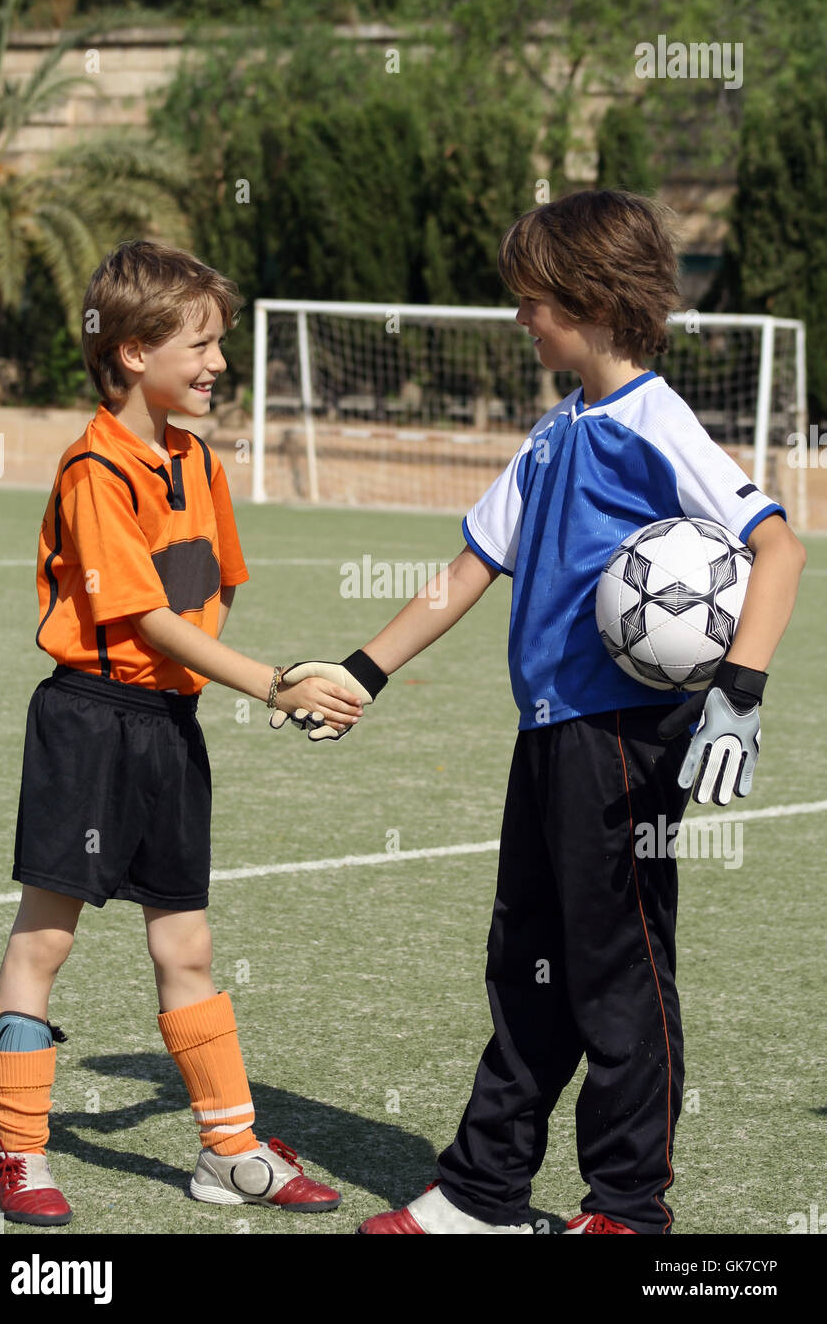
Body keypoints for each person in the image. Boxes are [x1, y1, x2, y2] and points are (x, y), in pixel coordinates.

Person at [272, 190, 807, 1235]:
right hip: (550, 733)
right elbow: (471, 566)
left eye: (531, 301)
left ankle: (626, 1210)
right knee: (524, 962)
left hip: (625, 737)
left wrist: (737, 693)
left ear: (591, 300)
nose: (519, 319)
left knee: (617, 975)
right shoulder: (554, 429)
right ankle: (480, 1191)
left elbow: (777, 545)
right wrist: (360, 674)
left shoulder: (656, 419)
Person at [0, 240, 364, 1227]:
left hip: (166, 727)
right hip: (86, 720)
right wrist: (279, 687)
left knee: (186, 943)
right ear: (132, 352)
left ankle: (226, 1149)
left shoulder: (198, 461)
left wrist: (233, 680)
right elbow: (146, 618)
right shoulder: (93, 468)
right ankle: (17, 1154)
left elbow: (214, 590)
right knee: (45, 936)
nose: (219, 365)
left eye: (221, 343)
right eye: (202, 343)